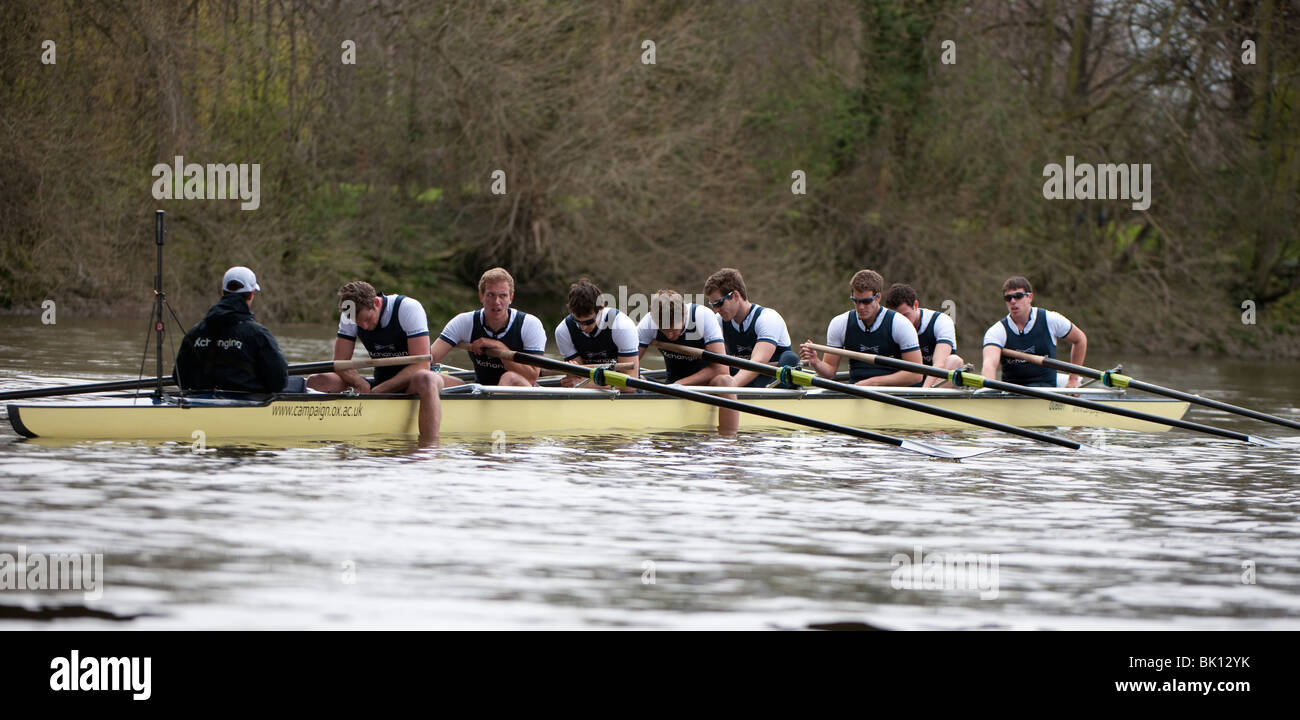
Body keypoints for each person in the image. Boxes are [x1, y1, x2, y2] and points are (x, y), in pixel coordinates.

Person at [304, 280, 445, 442]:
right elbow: (340, 362)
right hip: (380, 382)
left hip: (417, 383)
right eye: (359, 323)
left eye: (367, 319)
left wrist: (379, 391)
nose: (363, 327)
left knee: (424, 378)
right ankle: (319, 436)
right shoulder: (349, 312)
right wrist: (359, 383)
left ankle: (428, 447)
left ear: (376, 302)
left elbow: (421, 365)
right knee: (318, 380)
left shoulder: (408, 308)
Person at [174, 266, 305, 394]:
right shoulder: (258, 334)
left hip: (200, 402)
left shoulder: (195, 332)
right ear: (250, 295)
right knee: (301, 384)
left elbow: (179, 378)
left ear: (223, 293)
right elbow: (279, 381)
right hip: (248, 404)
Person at [799, 270, 924, 386]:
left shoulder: (900, 324)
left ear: (878, 297)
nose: (861, 307)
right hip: (856, 393)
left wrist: (874, 382)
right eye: (856, 301)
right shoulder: (840, 323)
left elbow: (916, 374)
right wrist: (816, 362)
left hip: (893, 397)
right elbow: (830, 372)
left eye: (866, 301)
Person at [431, 267, 547, 386]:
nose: (496, 302)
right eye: (491, 295)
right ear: (481, 296)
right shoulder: (464, 322)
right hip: (482, 390)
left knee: (509, 377)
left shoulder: (530, 324)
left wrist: (500, 348)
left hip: (521, 389)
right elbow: (428, 358)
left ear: (511, 298)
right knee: (428, 377)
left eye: (503, 296)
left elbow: (532, 377)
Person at [980, 276, 1088, 387]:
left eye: (1018, 296)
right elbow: (989, 364)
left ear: (1030, 297)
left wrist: (1073, 379)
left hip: (1048, 391)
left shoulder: (1050, 319)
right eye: (1008, 298)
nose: (1013, 301)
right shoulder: (996, 331)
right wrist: (987, 390)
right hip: (1012, 393)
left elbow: (1080, 339)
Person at [553, 279, 640, 391]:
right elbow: (579, 377)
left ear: (602, 307)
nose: (583, 328)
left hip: (623, 390)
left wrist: (581, 384)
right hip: (595, 385)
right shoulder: (564, 331)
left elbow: (630, 385)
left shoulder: (621, 326)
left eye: (588, 322)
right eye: (577, 321)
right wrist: (574, 376)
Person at [636, 289, 728, 385]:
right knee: (636, 378)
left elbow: (722, 369)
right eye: (664, 330)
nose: (669, 336)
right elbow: (630, 360)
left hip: (707, 387)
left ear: (685, 313)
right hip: (672, 385)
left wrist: (679, 384)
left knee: (724, 380)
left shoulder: (702, 316)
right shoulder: (649, 322)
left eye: (674, 329)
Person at [884, 283, 964, 388]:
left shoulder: (941, 321)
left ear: (916, 305)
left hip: (935, 383)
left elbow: (939, 364)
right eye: (897, 317)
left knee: (954, 361)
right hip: (907, 382)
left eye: (905, 315)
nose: (902, 322)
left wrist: (923, 393)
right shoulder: (888, 323)